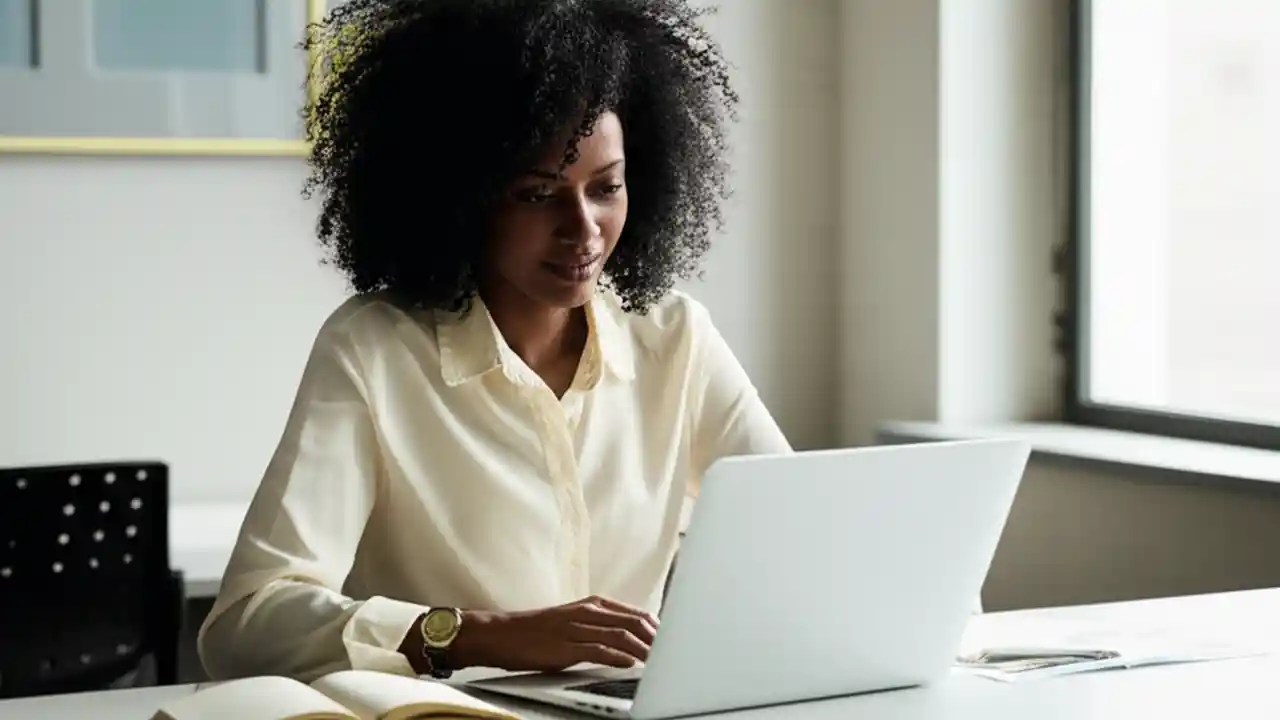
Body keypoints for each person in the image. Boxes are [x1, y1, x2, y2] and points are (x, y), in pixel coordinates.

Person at [198, 0, 791, 683]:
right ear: (462, 197)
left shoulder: (676, 337)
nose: (584, 229)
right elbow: (245, 625)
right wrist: (480, 637)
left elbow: (792, 531)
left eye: (606, 188)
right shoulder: (375, 352)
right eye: (538, 196)